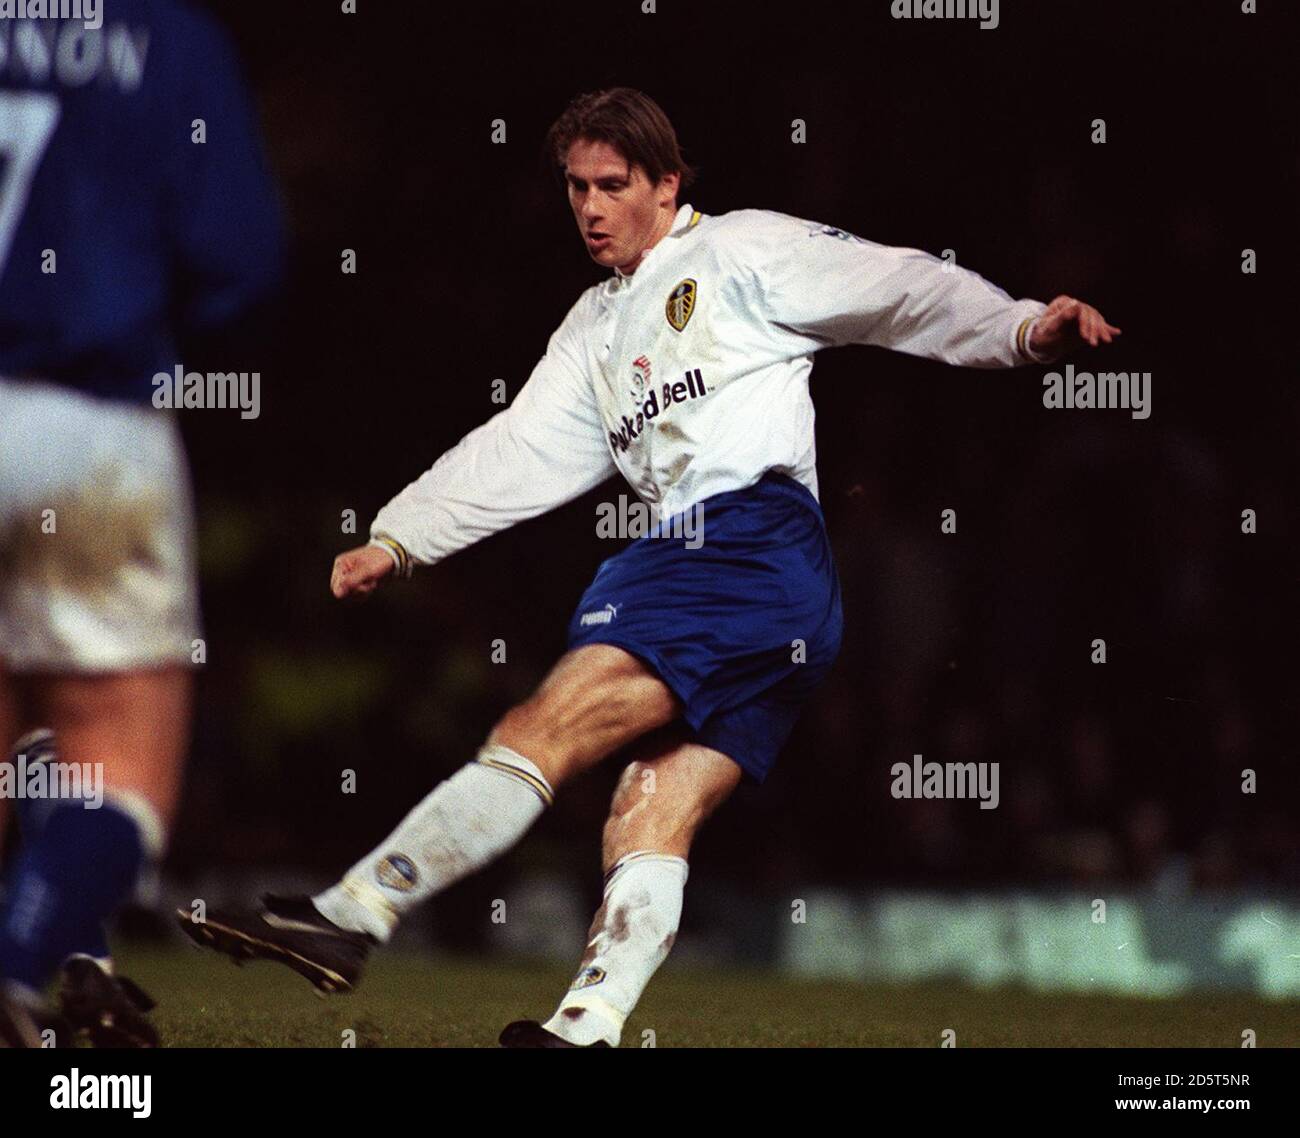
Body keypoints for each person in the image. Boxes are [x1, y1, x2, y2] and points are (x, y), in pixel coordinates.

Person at [179, 87, 1118, 1048]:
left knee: (539, 726)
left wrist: (1019, 327)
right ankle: (587, 1025)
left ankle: (352, 913)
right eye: (576, 187)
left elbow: (896, 285)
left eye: (613, 185)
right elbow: (519, 447)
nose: (589, 207)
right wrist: (400, 534)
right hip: (779, 600)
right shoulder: (594, 328)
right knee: (648, 804)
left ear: (667, 185)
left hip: (742, 543)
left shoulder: (738, 250)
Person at [0, 1, 282, 1047]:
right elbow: (242, 258)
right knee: (117, 761)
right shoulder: (166, 34)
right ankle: (33, 958)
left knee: (23, 734)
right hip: (89, 412)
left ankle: (74, 964)